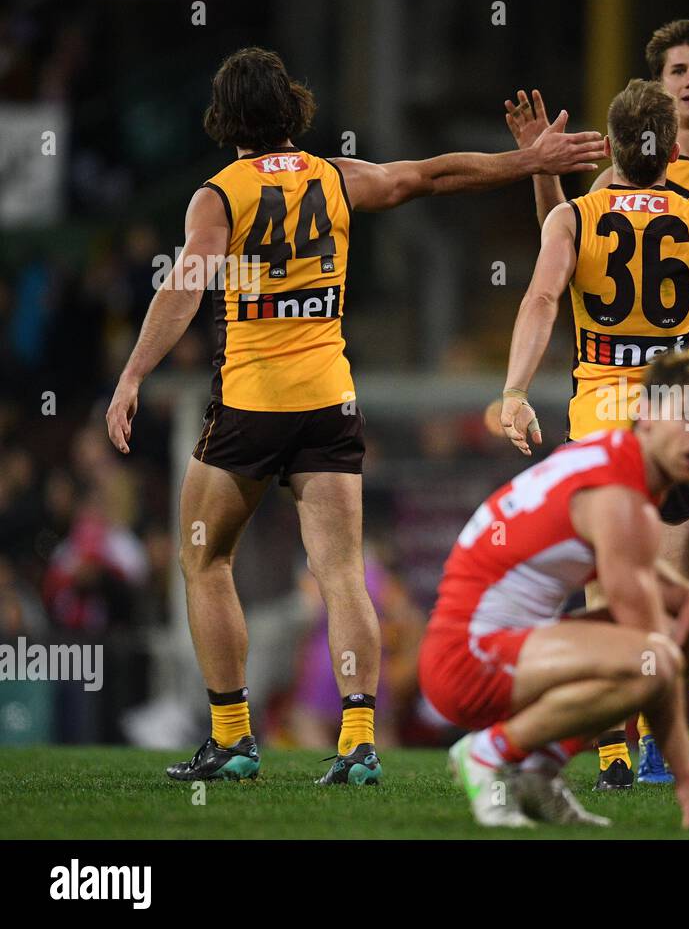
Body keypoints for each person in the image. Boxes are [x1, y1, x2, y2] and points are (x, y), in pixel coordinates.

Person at [104, 46, 605, 785]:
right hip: (330, 402)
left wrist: (133, 373)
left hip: (253, 402)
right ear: (292, 108)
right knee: (341, 571)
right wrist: (526, 163)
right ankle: (360, 745)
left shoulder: (219, 194)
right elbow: (431, 174)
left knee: (204, 559)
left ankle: (235, 739)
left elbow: (183, 287)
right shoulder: (334, 177)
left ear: (225, 118)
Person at [503, 19, 689, 786]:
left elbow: (557, 273)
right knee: (683, 562)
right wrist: (541, 172)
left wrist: (515, 389)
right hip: (686, 395)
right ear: (660, 93)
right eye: (678, 71)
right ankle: (685, 705)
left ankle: (638, 728)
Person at [419, 351, 689, 829]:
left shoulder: (620, 462)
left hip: (499, 643)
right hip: (466, 661)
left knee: (678, 636)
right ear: (646, 415)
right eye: (687, 417)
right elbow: (653, 660)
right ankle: (487, 754)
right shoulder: (618, 494)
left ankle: (537, 775)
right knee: (657, 659)